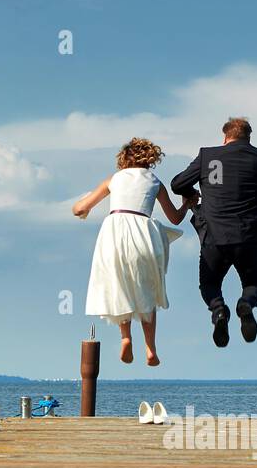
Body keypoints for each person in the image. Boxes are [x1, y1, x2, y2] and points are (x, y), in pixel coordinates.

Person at [170, 117, 257, 347]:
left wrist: (191, 193)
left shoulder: (208, 156)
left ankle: (218, 311)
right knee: (254, 284)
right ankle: (245, 304)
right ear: (248, 138)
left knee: (209, 285)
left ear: (225, 137)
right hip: (248, 236)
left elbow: (177, 184)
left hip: (213, 237)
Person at [75, 138, 195, 366]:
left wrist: (78, 209)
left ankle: (126, 338)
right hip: (144, 235)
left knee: (120, 287)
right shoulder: (155, 182)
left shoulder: (114, 179)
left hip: (114, 233)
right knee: (147, 291)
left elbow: (81, 208)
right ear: (151, 159)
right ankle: (151, 349)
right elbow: (175, 218)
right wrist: (187, 204)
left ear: (124, 158)